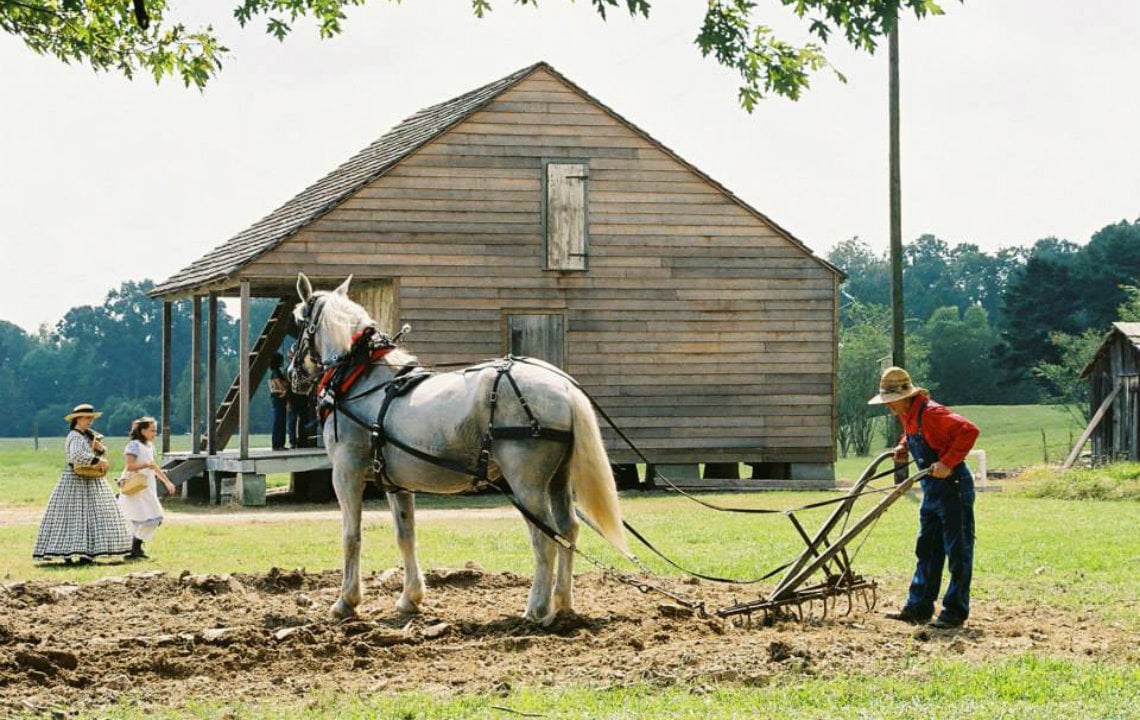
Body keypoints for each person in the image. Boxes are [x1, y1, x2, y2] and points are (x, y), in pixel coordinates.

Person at [869, 367, 980, 629]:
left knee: (958, 551)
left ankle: (954, 612)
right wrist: (903, 446)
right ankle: (919, 607)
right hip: (932, 489)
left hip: (953, 487)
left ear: (905, 396)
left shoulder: (932, 413)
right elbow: (913, 434)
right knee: (927, 549)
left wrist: (947, 462)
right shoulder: (909, 414)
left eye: (890, 402)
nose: (888, 407)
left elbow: (969, 430)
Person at [32, 403, 134, 564]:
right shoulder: (75, 436)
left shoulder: (86, 435)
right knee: (72, 516)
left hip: (90, 479)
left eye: (91, 418)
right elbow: (77, 455)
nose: (90, 421)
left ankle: (87, 552)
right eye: (87, 418)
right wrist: (97, 460)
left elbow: (89, 451)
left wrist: (99, 450)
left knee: (94, 515)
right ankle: (68, 552)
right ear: (77, 419)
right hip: (75, 479)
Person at [118, 416, 177, 560]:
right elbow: (130, 466)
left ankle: (135, 547)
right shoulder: (134, 445)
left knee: (152, 518)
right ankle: (134, 548)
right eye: (152, 430)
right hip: (136, 487)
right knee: (147, 516)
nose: (154, 434)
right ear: (143, 431)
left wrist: (167, 481)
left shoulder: (149, 446)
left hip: (147, 486)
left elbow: (154, 466)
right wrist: (146, 465)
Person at [268, 353, 289, 450]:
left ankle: (277, 444)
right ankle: (278, 444)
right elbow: (278, 382)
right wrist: (284, 390)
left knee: (278, 421)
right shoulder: (276, 372)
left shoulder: (274, 371)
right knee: (280, 421)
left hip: (276, 399)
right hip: (279, 399)